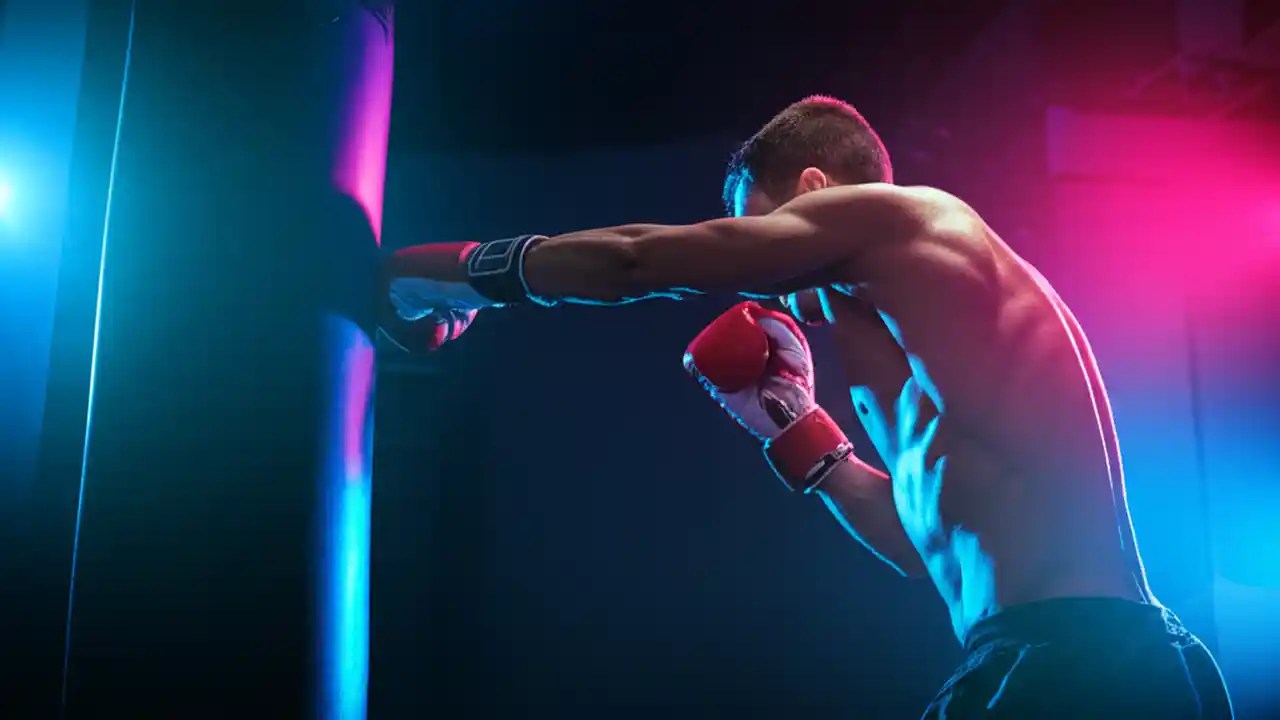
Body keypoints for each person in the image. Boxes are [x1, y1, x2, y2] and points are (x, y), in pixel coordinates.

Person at [380, 95, 1234, 718]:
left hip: (1083, 658)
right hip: (1051, 654)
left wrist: (456, 276)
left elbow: (644, 261)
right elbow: (933, 550)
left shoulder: (914, 222)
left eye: (757, 228)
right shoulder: (920, 351)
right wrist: (797, 431)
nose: (774, 287)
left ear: (815, 189)